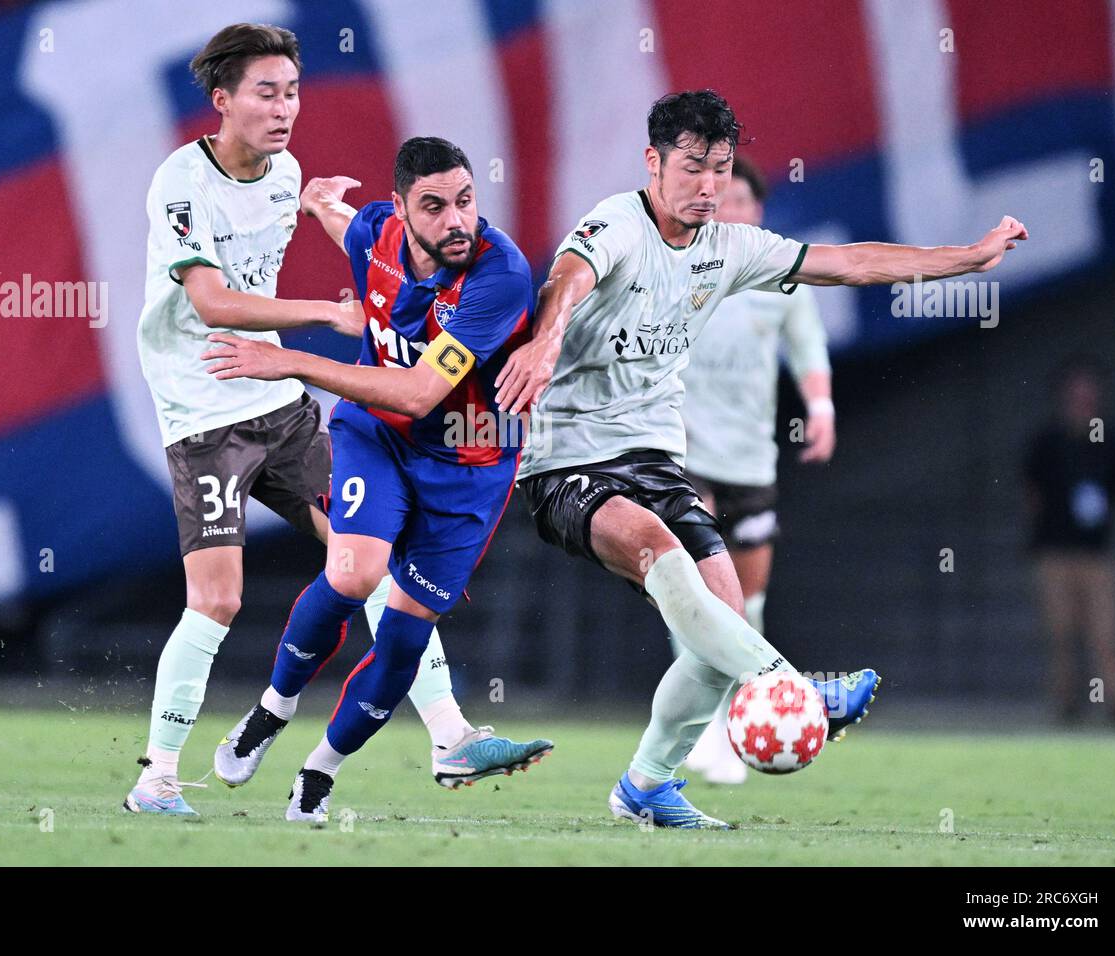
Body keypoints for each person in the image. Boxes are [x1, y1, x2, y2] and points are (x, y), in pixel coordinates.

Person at [496, 89, 1028, 828]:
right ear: (653, 163)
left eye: (719, 168)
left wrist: (966, 258)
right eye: (692, 167)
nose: (709, 185)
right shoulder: (616, 222)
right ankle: (791, 687)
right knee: (661, 554)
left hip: (654, 460)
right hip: (567, 464)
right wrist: (548, 340)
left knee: (721, 629)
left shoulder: (732, 247)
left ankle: (646, 784)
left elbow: (850, 264)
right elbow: (568, 280)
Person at [124, 26, 546, 817]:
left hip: (278, 401)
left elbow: (366, 243)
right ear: (222, 101)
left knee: (367, 565)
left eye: (292, 91)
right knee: (216, 600)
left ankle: (449, 730)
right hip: (201, 406)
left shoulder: (287, 175)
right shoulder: (180, 182)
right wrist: (327, 314)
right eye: (266, 92)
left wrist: (325, 216)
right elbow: (212, 302)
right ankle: (156, 777)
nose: (285, 108)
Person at [200, 136, 551, 821]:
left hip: (472, 466)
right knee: (356, 573)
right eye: (435, 206)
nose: (457, 220)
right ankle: (272, 710)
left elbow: (420, 392)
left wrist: (291, 363)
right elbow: (346, 227)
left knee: (403, 637)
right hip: (377, 439)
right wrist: (320, 204)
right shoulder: (373, 232)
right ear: (399, 209)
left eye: (466, 201)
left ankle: (319, 770)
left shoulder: (496, 275)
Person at [675, 155, 835, 785]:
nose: (731, 210)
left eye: (742, 201)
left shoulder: (780, 278)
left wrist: (820, 406)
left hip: (752, 463)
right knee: (697, 595)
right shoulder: (684, 268)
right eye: (723, 200)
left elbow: (809, 347)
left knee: (749, 605)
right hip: (686, 460)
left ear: (757, 211)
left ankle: (742, 718)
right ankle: (702, 731)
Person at [1023, 356, 1115, 723]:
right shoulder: (1046, 442)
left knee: (1106, 633)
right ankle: (1066, 703)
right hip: (1055, 553)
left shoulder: (1111, 439)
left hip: (1096, 553)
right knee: (1060, 633)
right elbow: (1031, 493)